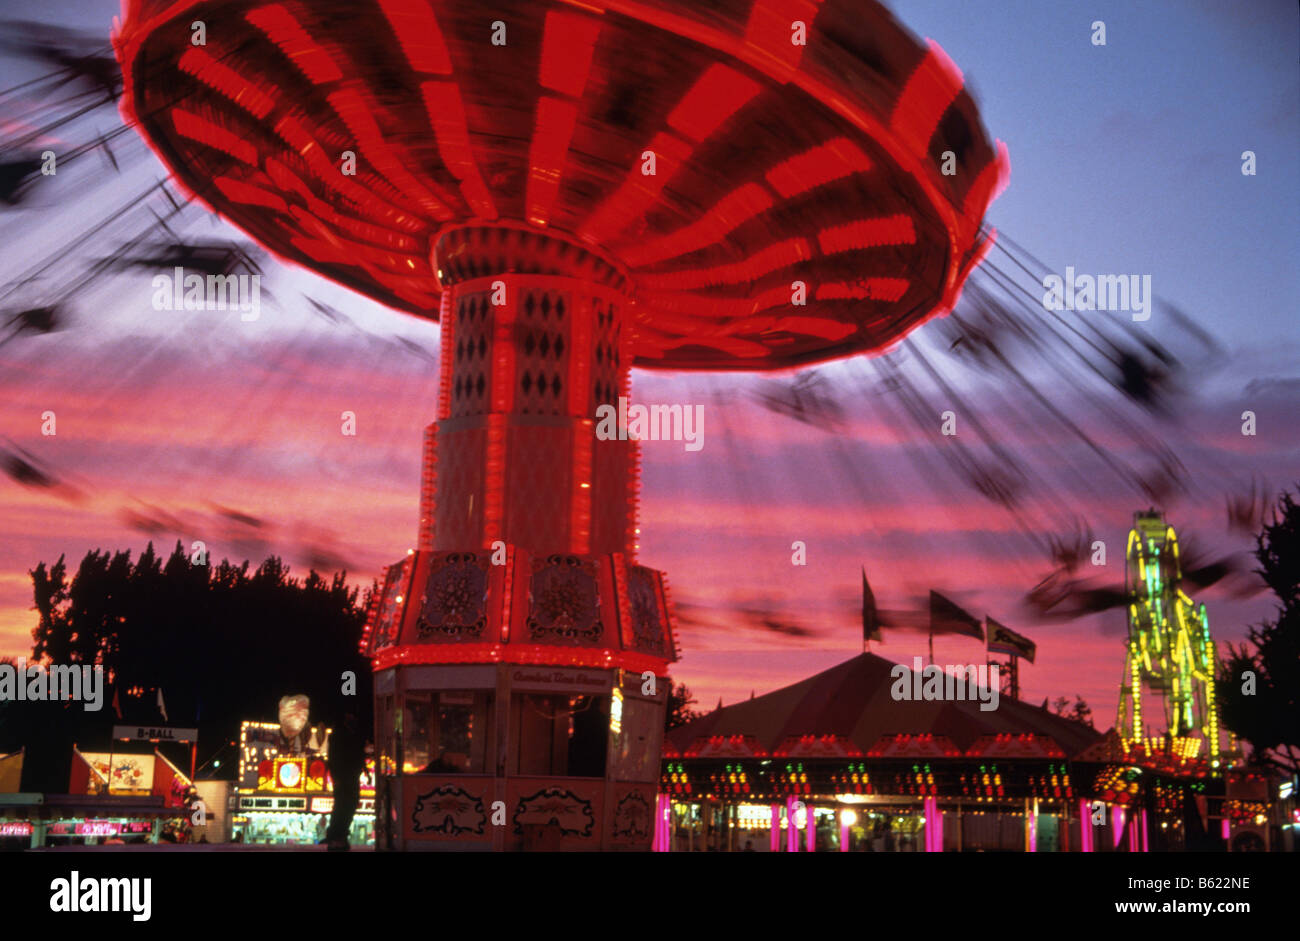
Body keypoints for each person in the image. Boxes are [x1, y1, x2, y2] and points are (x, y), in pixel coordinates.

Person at [325, 710, 365, 851]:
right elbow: (334, 758)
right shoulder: (339, 735)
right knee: (343, 806)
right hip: (345, 777)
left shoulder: (351, 734)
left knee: (348, 806)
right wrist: (337, 777)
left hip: (350, 776)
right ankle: (337, 836)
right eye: (349, 716)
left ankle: (339, 835)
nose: (352, 718)